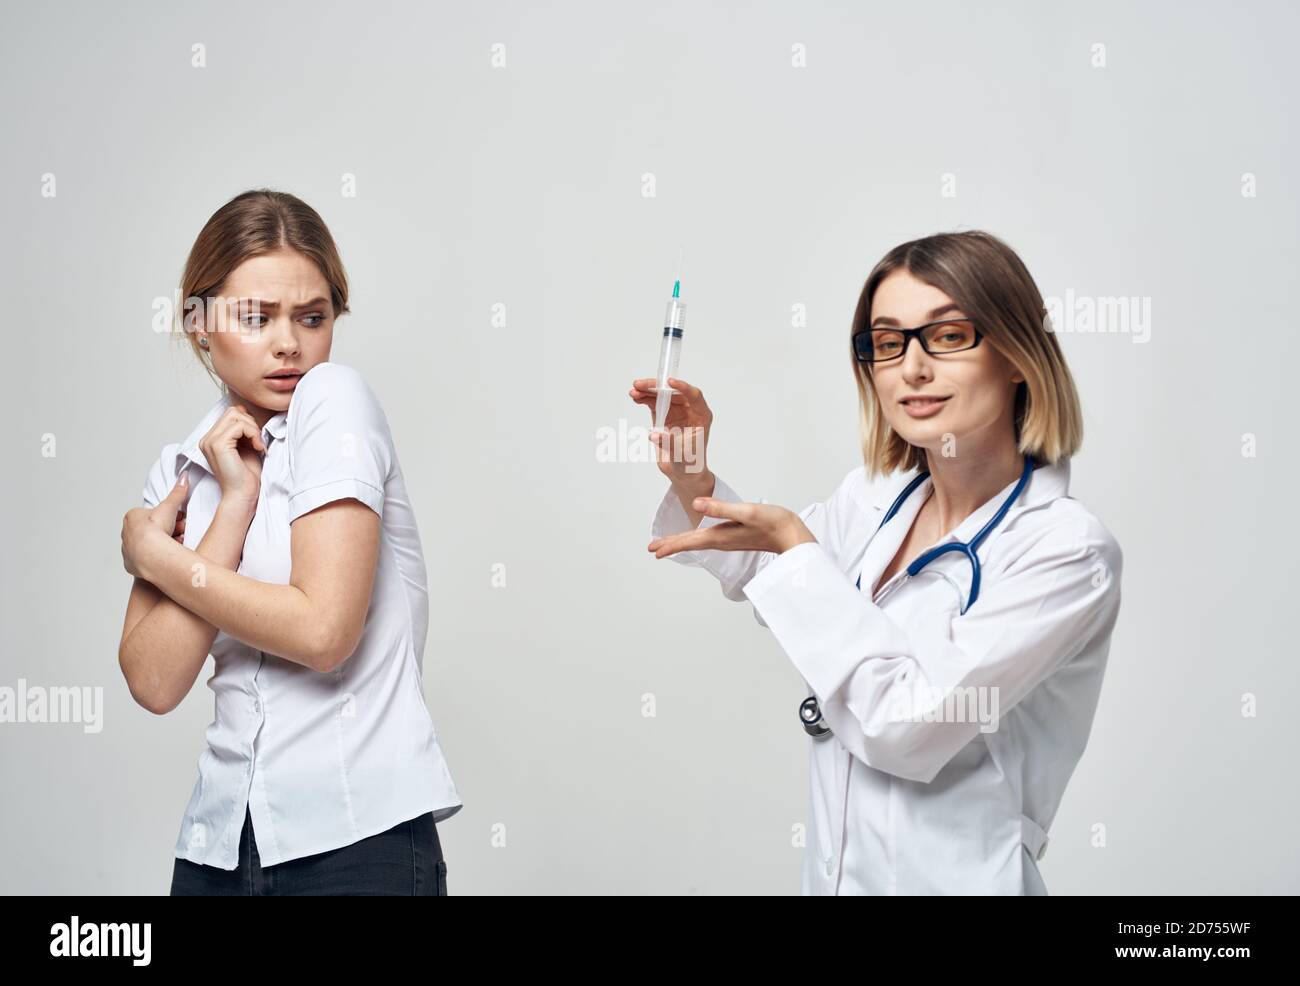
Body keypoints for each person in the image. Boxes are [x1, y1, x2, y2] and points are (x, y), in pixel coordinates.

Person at [632, 230, 1123, 895]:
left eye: (948, 336)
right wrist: (695, 481)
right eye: (888, 343)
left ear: (1016, 354)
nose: (912, 369)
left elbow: (907, 726)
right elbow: (776, 577)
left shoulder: (1065, 551)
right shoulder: (874, 500)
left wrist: (797, 547)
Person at [118, 189, 461, 895]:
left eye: (313, 316)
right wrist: (234, 505)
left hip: (356, 843)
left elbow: (324, 630)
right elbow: (154, 682)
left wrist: (158, 557)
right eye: (256, 316)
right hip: (216, 850)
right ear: (199, 325)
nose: (289, 343)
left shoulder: (336, 400)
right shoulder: (182, 468)